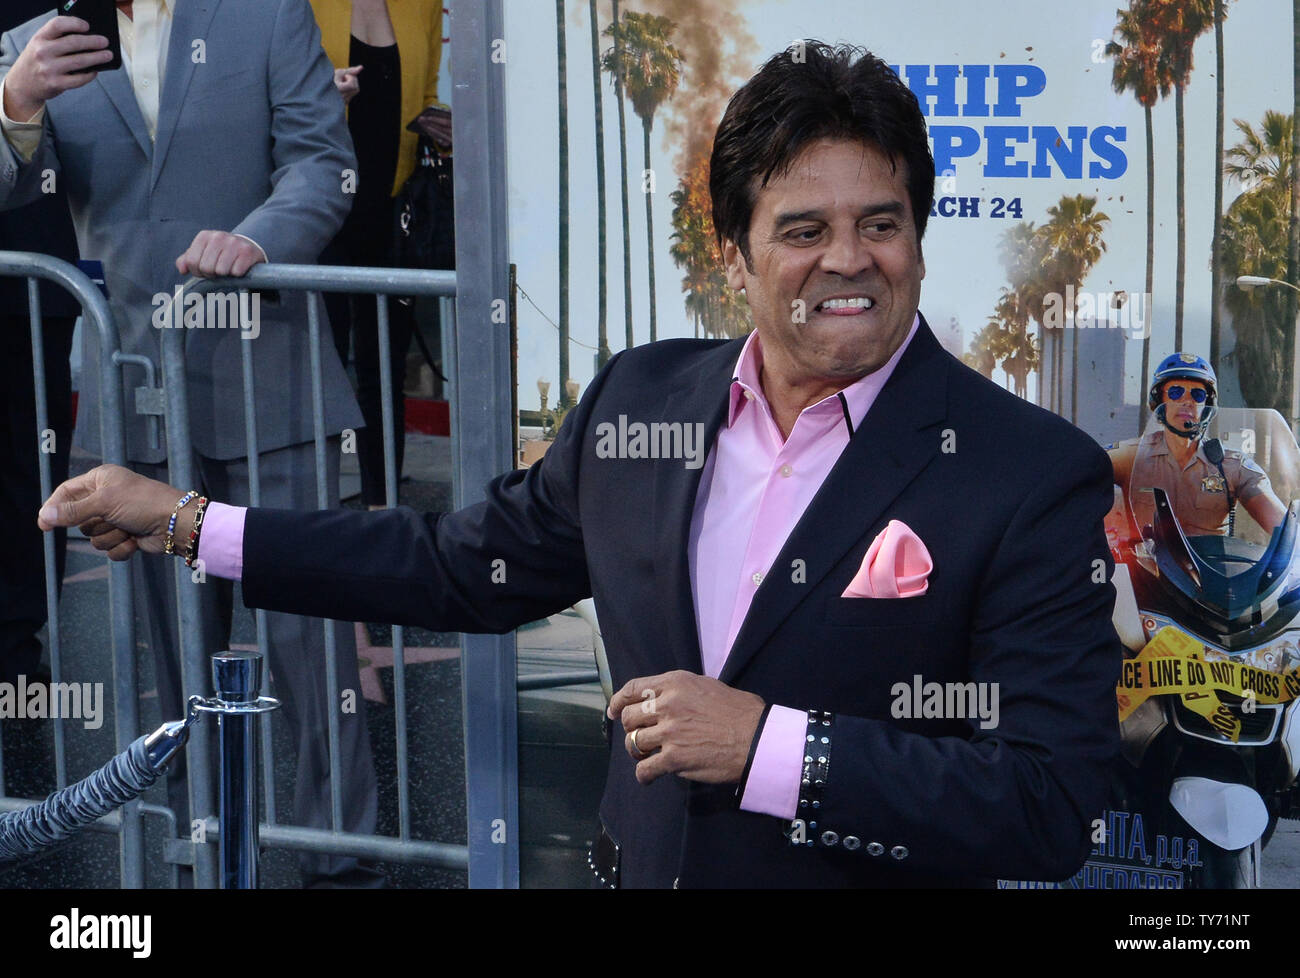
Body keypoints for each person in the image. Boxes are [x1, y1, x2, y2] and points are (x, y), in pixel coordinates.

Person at [38, 42, 1123, 888]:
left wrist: (773, 747)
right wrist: (190, 522)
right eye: (802, 229)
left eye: (879, 223)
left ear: (918, 236)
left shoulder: (1026, 473)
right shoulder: (642, 401)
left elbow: (1049, 801)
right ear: (731, 251)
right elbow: (457, 567)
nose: (847, 258)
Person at [0, 0, 381, 887]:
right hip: (132, 392)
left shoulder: (266, 13)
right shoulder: (30, 42)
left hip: (274, 377)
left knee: (314, 649)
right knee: (170, 662)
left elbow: (324, 164)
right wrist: (14, 107)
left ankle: (346, 860)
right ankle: (195, 844)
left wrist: (257, 237)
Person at [312, 0, 444, 508]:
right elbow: (271, 99)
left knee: (383, 363)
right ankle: (311, 507)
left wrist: (441, 128)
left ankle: (380, 500)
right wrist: (325, 95)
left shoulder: (423, 5)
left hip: (393, 212)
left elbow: (425, 97)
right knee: (321, 361)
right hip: (319, 209)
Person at [0, 0, 80, 692]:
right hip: (37, 271)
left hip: (33, 274)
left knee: (31, 465)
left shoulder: (51, 14)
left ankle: (17, 645)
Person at [1108, 353, 1286, 538]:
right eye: (1175, 392)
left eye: (1197, 395)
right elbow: (1084, 468)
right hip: (1147, 565)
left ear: (1207, 405)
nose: (1187, 401)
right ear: (1160, 401)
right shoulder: (1132, 455)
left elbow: (1280, 524)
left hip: (1212, 565)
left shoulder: (1232, 466)